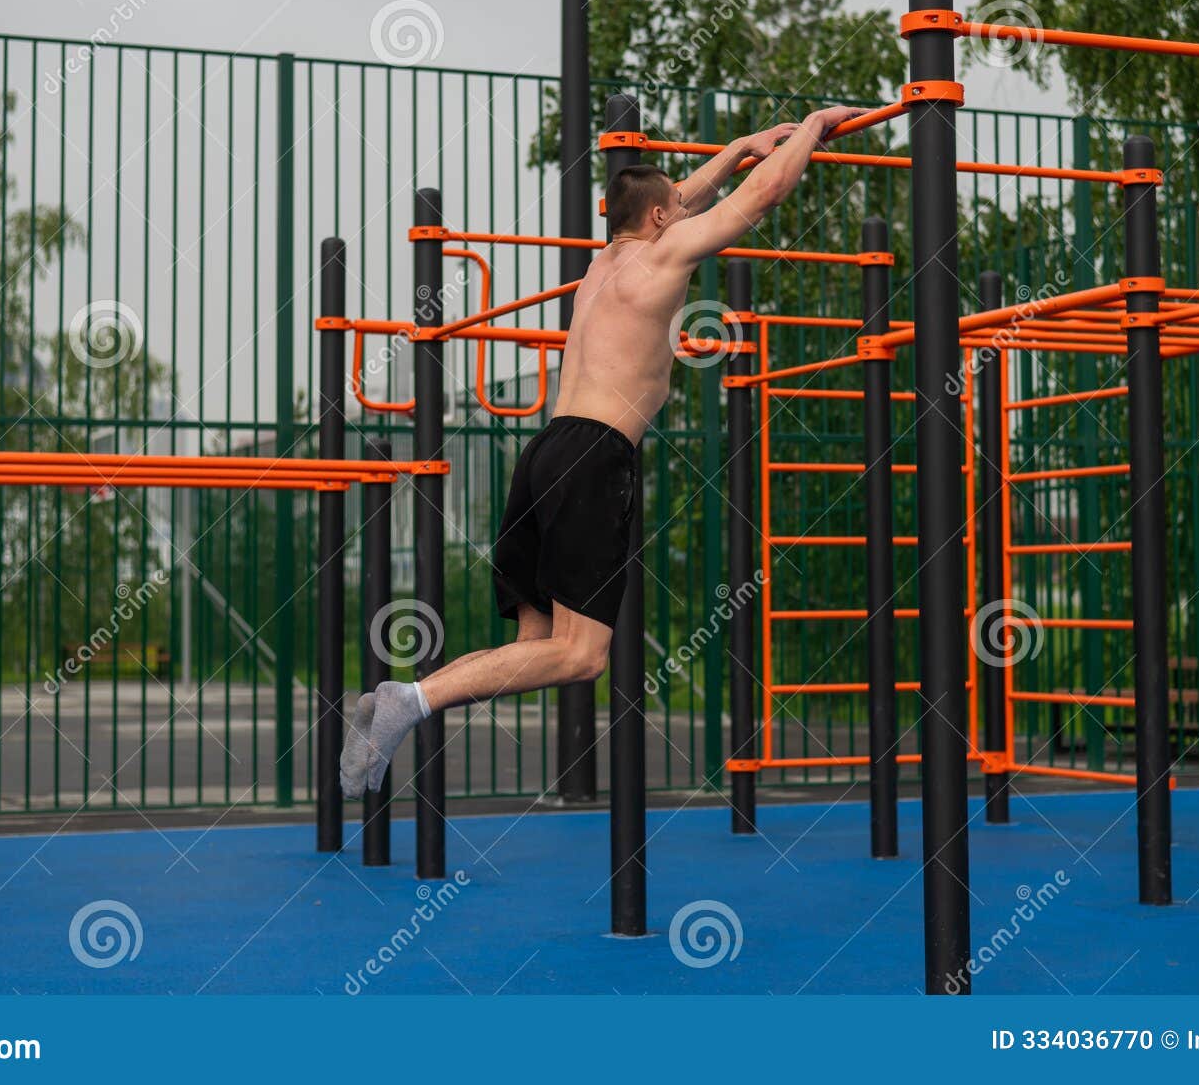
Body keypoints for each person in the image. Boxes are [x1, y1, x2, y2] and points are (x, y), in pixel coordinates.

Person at [340, 104, 867, 799]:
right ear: (658, 222)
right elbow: (762, 195)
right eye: (673, 209)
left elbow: (683, 196)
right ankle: (409, 701)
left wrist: (740, 144)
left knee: (536, 650)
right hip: (596, 457)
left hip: (546, 453)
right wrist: (812, 127)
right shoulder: (665, 255)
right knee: (583, 655)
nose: (682, 211)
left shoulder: (603, 264)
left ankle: (403, 701)